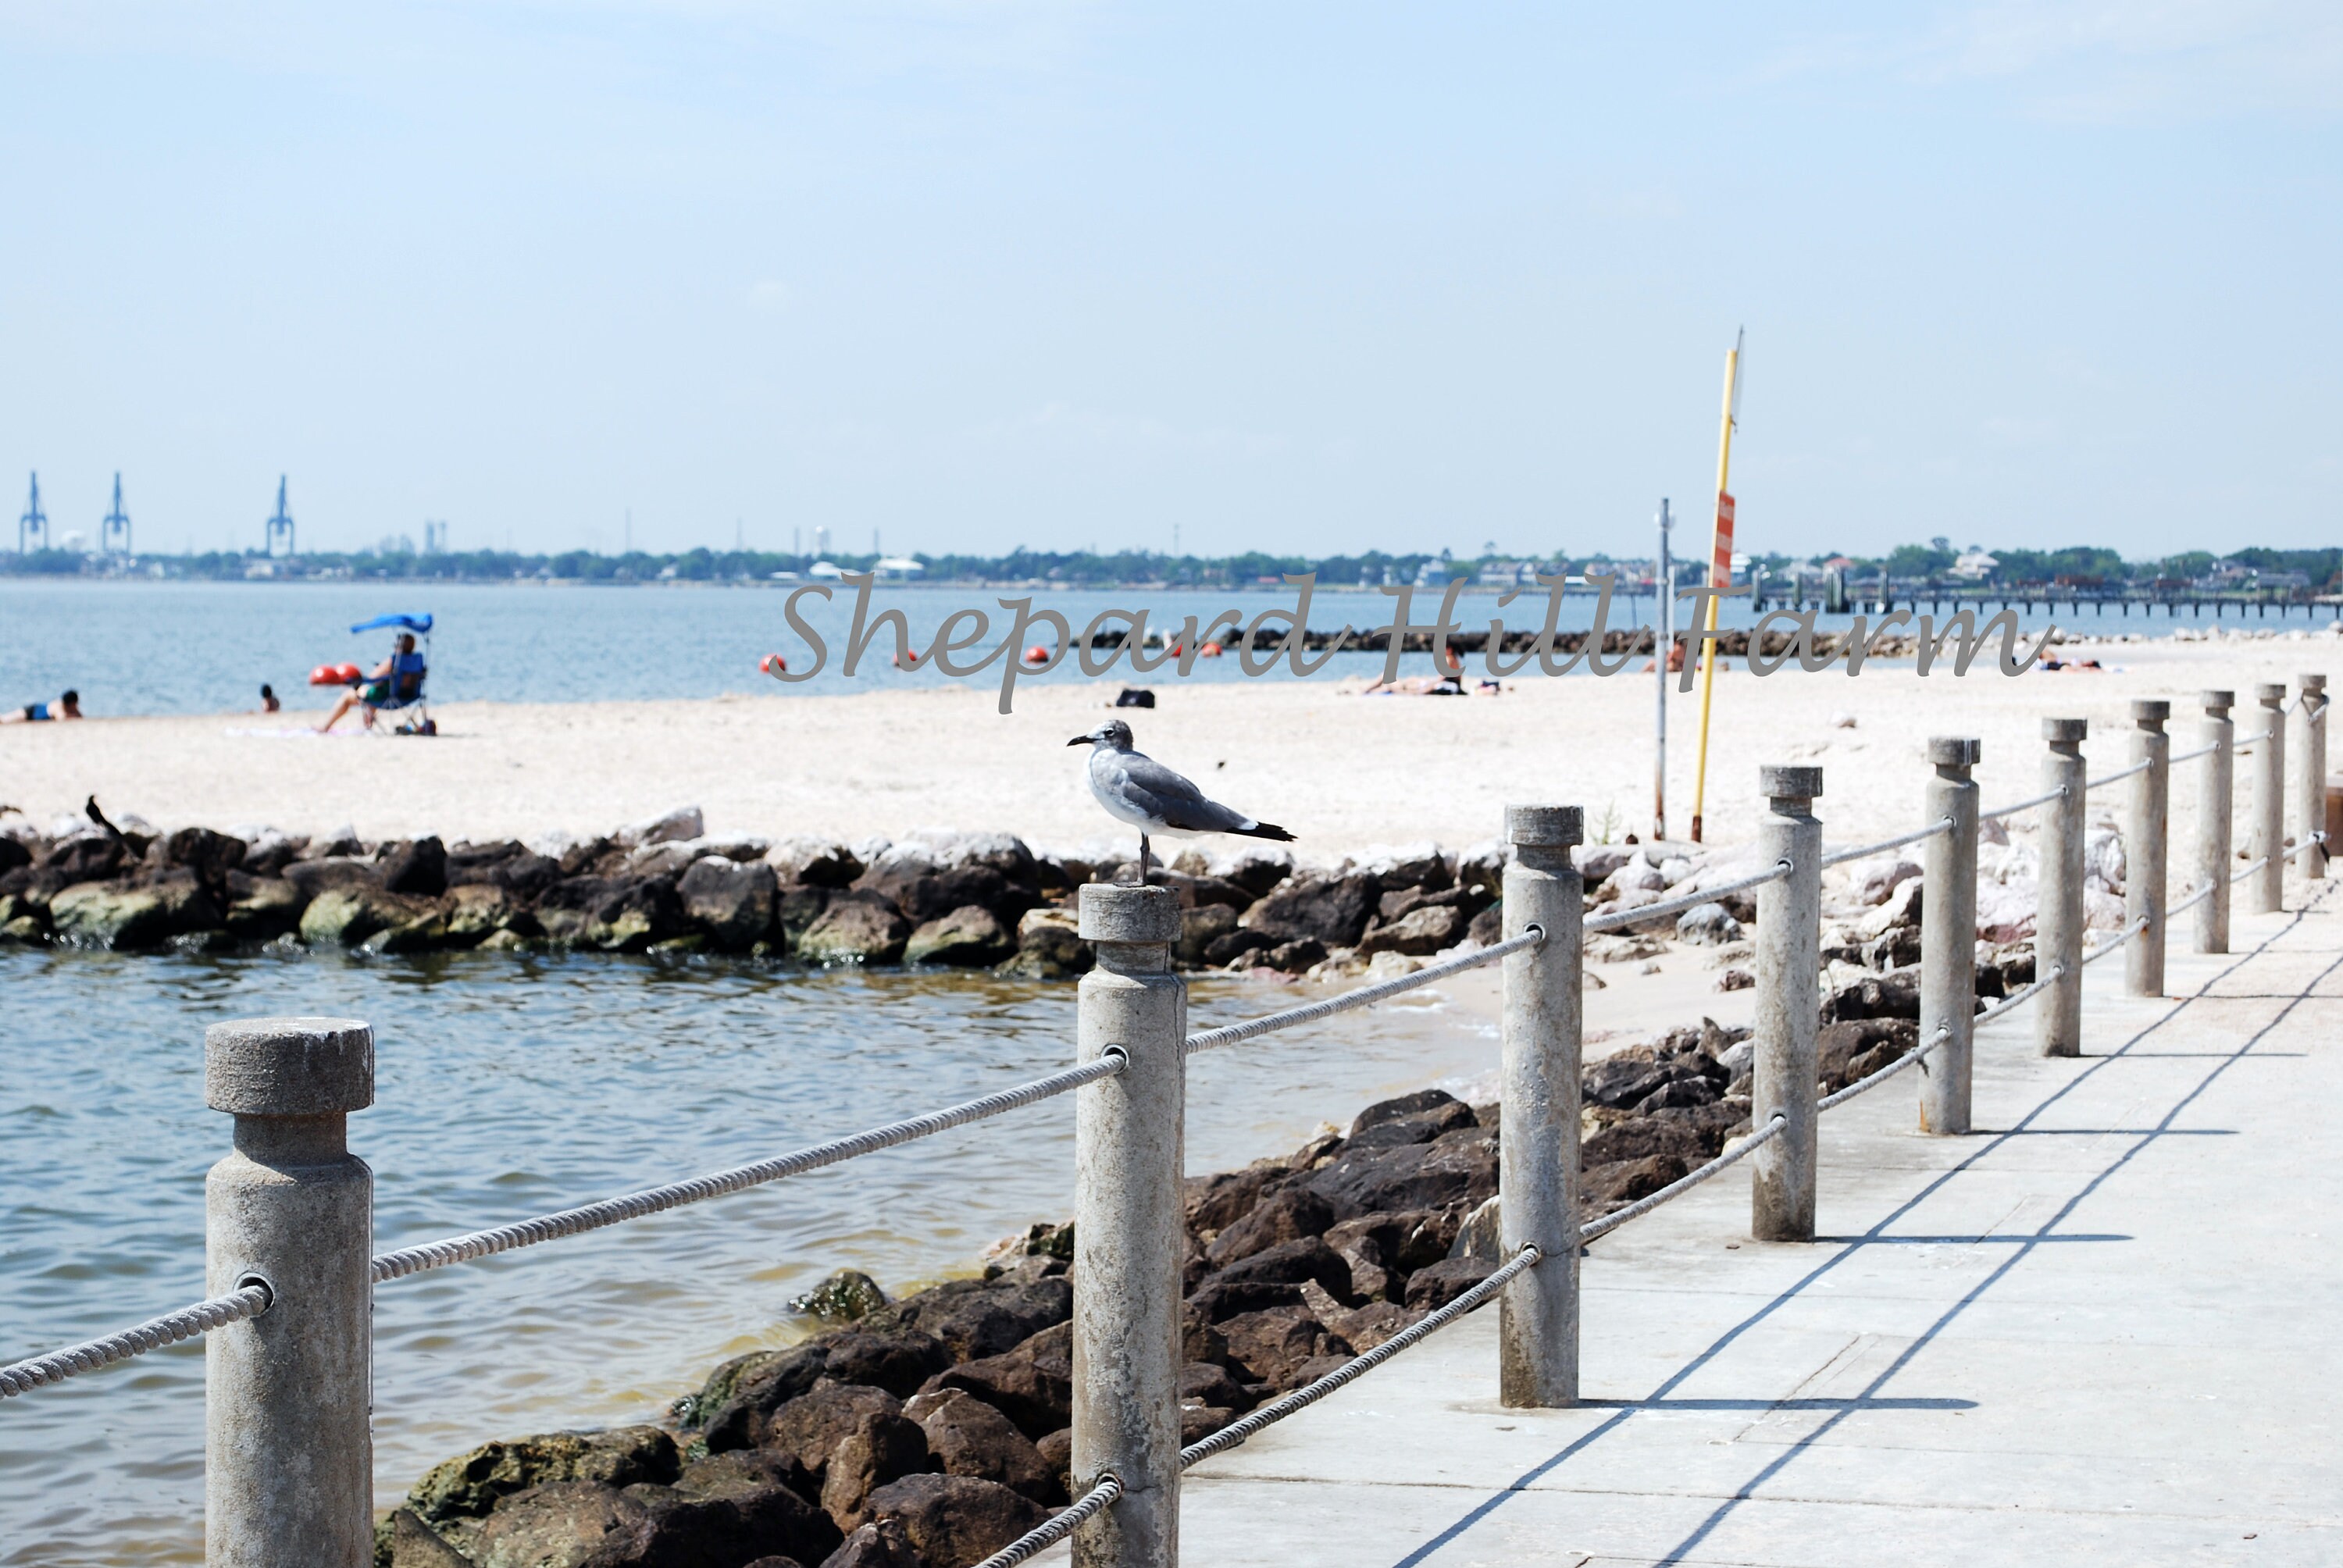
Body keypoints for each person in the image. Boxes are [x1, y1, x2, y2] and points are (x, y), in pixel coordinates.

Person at [318, 635, 425, 732]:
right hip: (409, 697)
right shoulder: (417, 660)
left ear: (398, 646)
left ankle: (326, 727)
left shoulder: (394, 660)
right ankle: (367, 725)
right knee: (372, 693)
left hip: (389, 698)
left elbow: (373, 679)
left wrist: (356, 680)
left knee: (351, 695)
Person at [3, 690, 80, 723]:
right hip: (30, 712)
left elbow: (80, 716)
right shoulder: (58, 705)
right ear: (72, 703)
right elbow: (62, 718)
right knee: (5, 720)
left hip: (33, 715)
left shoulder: (69, 707)